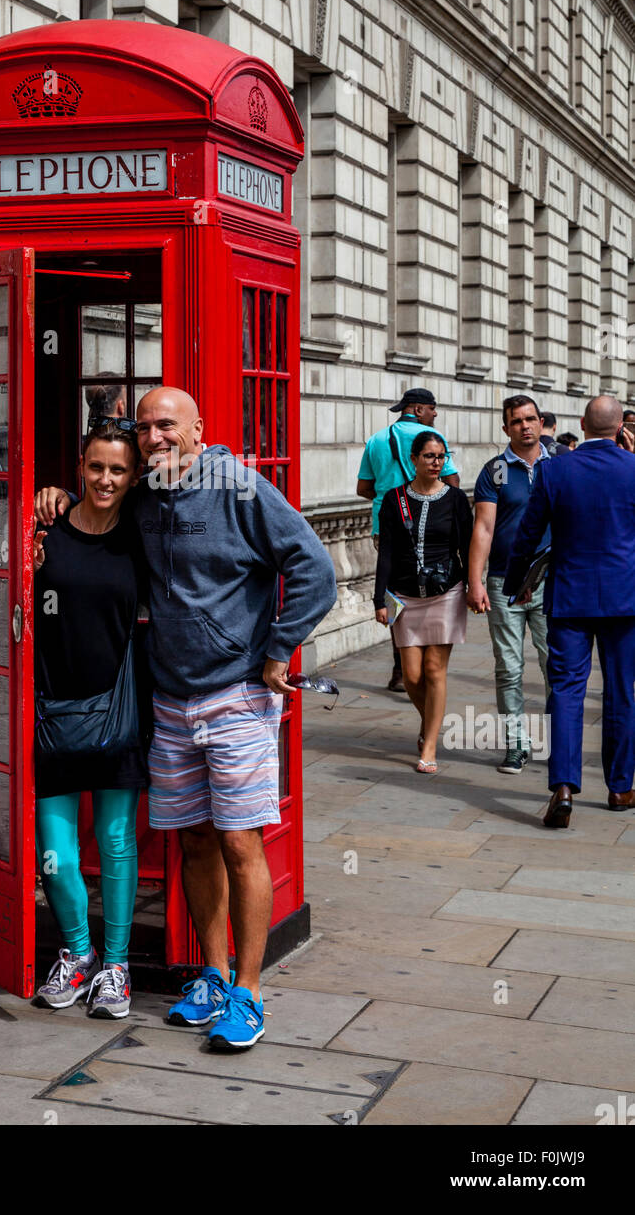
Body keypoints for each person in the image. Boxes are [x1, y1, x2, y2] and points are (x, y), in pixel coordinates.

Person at [35, 387, 337, 1050]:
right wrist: (51, 501)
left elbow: (315, 567)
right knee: (195, 841)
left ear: (200, 428)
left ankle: (250, 993)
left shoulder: (240, 489)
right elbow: (96, 512)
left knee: (240, 841)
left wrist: (279, 647)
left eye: (166, 424)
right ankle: (212, 974)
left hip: (234, 694)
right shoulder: (145, 497)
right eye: (144, 427)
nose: (153, 436)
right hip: (169, 698)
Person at [31, 418, 151, 1019]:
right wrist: (38, 500)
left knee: (115, 839)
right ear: (81, 466)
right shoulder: (47, 529)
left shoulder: (141, 535)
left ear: (134, 476)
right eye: (97, 467)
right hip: (51, 705)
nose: (106, 479)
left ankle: (117, 965)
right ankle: (76, 955)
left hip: (119, 705)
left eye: (119, 469)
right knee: (53, 849)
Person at [504, 395, 635, 828]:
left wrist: (514, 583)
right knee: (621, 693)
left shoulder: (554, 469)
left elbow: (528, 533)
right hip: (624, 599)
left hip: (570, 598)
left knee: (566, 692)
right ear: (620, 427)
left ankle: (562, 786)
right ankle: (620, 787)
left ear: (582, 424)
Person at [373, 431, 473, 773]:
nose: (436, 462)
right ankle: (430, 719)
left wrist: (474, 586)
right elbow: (386, 550)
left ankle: (429, 746)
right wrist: (379, 598)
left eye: (441, 456)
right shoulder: (393, 499)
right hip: (404, 594)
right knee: (412, 676)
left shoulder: (457, 499)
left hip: (447, 592)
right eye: (429, 456)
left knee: (434, 669)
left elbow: (468, 545)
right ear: (413, 459)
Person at [357, 388, 460, 693]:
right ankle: (427, 658)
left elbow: (364, 487)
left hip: (386, 525)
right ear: (417, 409)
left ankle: (400, 667)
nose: (435, 413)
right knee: (431, 589)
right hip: (429, 525)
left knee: (394, 591)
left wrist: (389, 495)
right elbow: (452, 482)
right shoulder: (431, 437)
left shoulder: (376, 439)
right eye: (432, 407)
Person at [468, 396, 551, 773]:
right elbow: (484, 528)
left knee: (556, 664)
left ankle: (557, 740)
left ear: (541, 421)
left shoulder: (560, 464)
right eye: (516, 421)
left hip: (553, 581)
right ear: (506, 429)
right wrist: (475, 581)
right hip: (504, 582)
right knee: (509, 667)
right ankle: (516, 744)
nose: (525, 426)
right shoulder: (495, 471)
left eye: (530, 419)